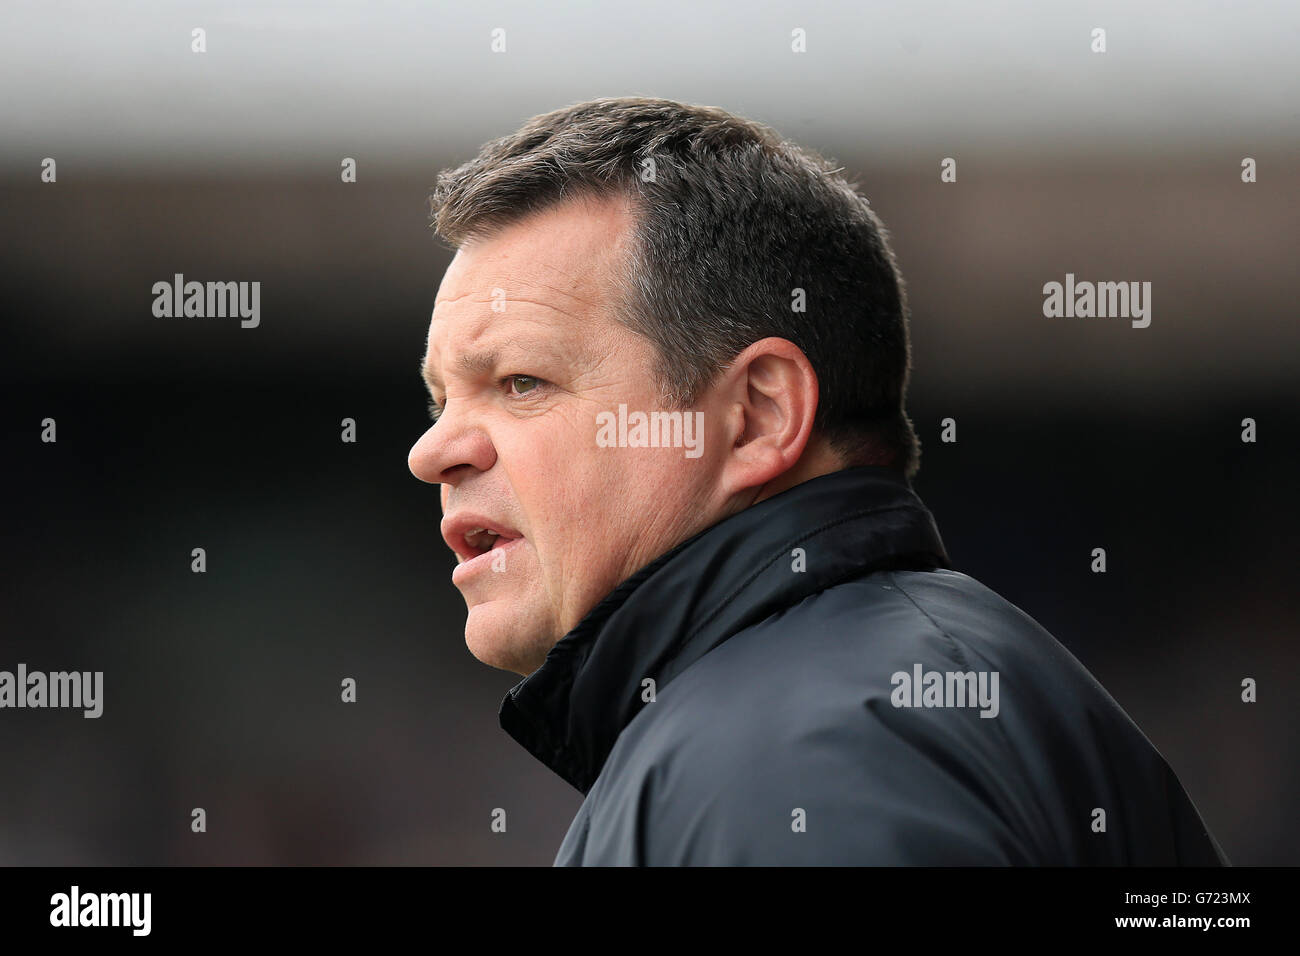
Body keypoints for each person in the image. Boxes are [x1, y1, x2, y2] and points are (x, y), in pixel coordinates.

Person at [407, 96, 1228, 865]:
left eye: (521, 383)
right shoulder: (860, 698)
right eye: (441, 399)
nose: (433, 451)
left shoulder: (796, 750)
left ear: (759, 416)